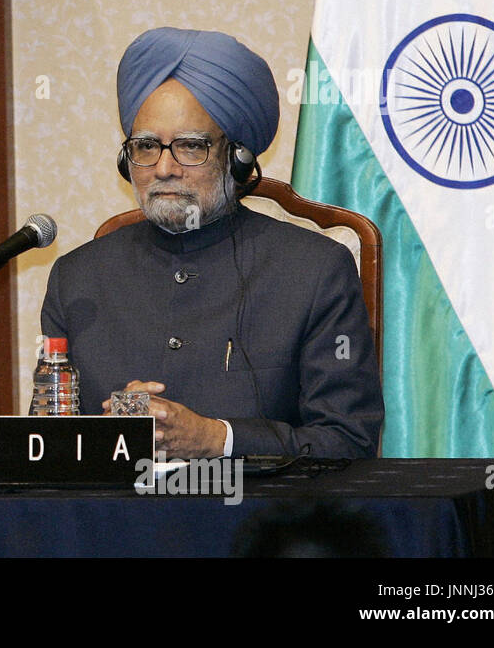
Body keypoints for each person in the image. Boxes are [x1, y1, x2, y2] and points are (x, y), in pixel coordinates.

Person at [40, 27, 383, 459]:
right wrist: (106, 439)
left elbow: (349, 441)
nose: (163, 167)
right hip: (120, 521)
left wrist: (216, 439)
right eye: (146, 146)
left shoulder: (314, 271)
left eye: (190, 146)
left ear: (237, 159)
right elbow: (46, 450)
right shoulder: (77, 278)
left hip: (259, 520)